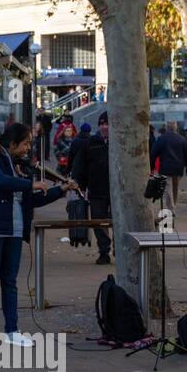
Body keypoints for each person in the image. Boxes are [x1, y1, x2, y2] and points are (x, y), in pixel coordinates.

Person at [0, 122, 72, 347]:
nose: (27, 148)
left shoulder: (16, 164)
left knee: (10, 281)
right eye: (25, 143)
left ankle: (12, 330)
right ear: (12, 143)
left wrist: (60, 190)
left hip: (13, 230)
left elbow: (32, 198)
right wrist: (30, 183)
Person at [72, 111, 113, 264]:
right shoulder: (91, 142)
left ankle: (120, 249)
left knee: (118, 221)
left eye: (107, 123)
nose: (104, 127)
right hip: (96, 190)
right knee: (98, 221)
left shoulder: (120, 142)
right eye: (102, 124)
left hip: (117, 192)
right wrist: (80, 186)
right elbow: (80, 165)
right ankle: (104, 251)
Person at [150, 121, 187, 208]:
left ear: (167, 128)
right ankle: (174, 204)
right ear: (176, 128)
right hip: (178, 167)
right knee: (175, 187)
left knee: (168, 187)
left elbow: (153, 153)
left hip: (165, 167)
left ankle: (171, 206)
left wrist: (152, 165)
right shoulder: (182, 139)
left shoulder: (162, 139)